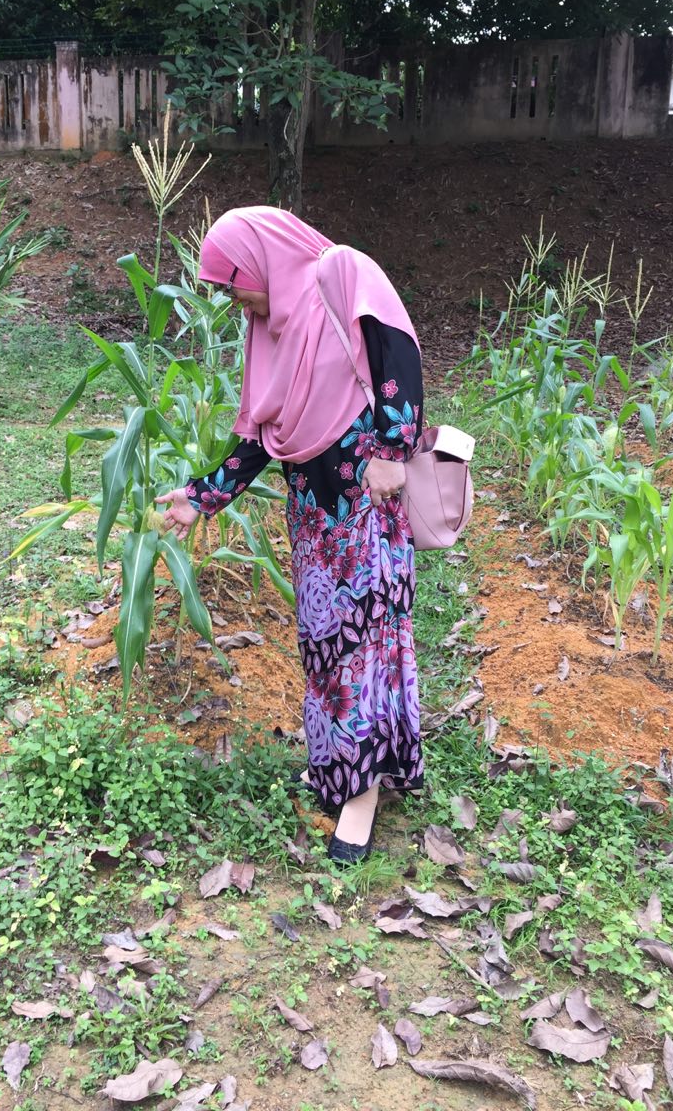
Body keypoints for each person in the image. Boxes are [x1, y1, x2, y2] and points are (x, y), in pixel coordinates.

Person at [157, 207, 423, 865]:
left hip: (365, 503)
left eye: (232, 282)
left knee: (363, 644)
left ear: (261, 259)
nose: (232, 299)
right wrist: (202, 496)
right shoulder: (269, 327)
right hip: (313, 517)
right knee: (325, 645)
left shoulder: (341, 273)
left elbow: (397, 354)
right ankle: (336, 770)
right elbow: (262, 437)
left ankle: (360, 798)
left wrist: (394, 444)